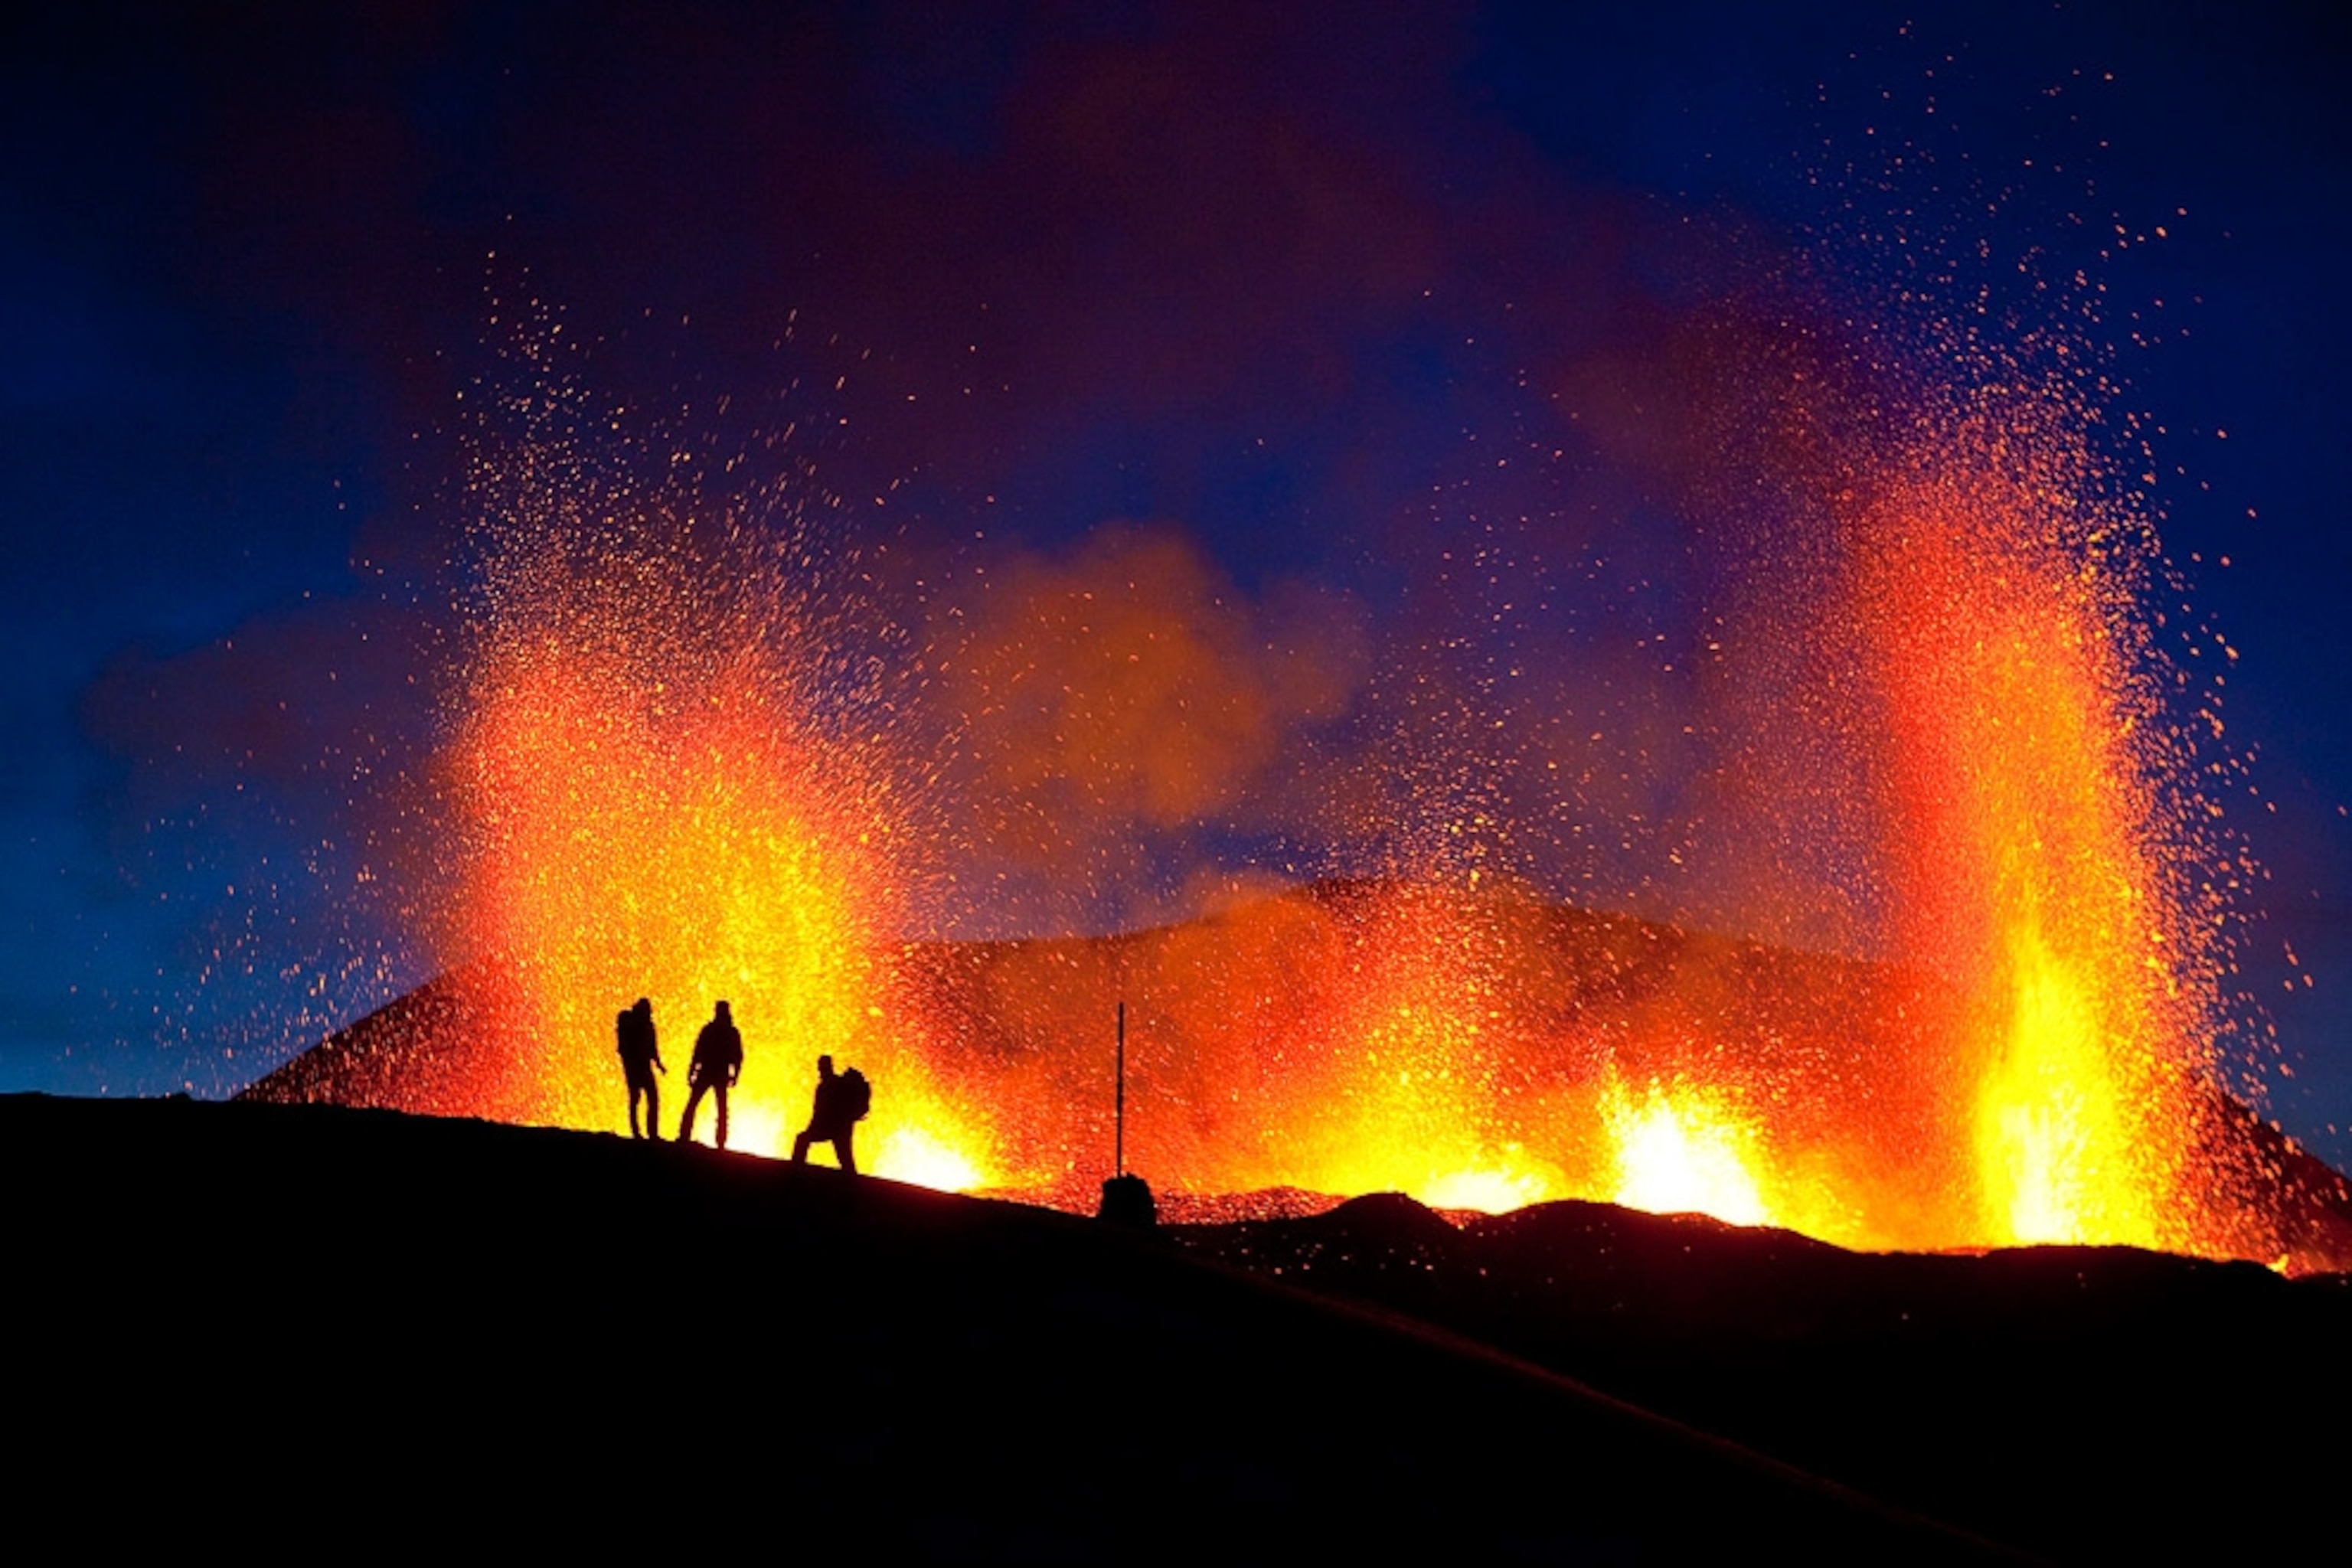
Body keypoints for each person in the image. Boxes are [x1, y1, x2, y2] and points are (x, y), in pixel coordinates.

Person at [676, 1000, 743, 1149]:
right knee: (720, 1108)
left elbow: (698, 1051)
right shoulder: (731, 1032)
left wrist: (693, 1070)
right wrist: (735, 1074)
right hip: (718, 1072)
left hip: (708, 1071)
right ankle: (720, 1142)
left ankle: (684, 1136)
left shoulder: (710, 1030)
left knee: (695, 1104)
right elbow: (737, 1056)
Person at [790, 1054, 870, 1174]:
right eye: (821, 1066)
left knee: (845, 1158)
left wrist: (812, 1130)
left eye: (823, 1066)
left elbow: (821, 1111)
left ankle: (795, 1173)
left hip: (837, 1127)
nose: (821, 1069)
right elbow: (818, 1111)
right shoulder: (825, 1086)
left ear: (829, 1067)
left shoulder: (833, 1085)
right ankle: (796, 1171)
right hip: (837, 1128)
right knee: (845, 1159)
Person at [616, 997, 665, 1139]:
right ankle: (637, 1132)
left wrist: (659, 1064)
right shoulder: (629, 1021)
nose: (649, 1013)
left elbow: (652, 1047)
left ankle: (652, 1133)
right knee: (636, 1098)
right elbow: (628, 1047)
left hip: (643, 1066)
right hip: (634, 1067)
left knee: (651, 1098)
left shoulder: (647, 1025)